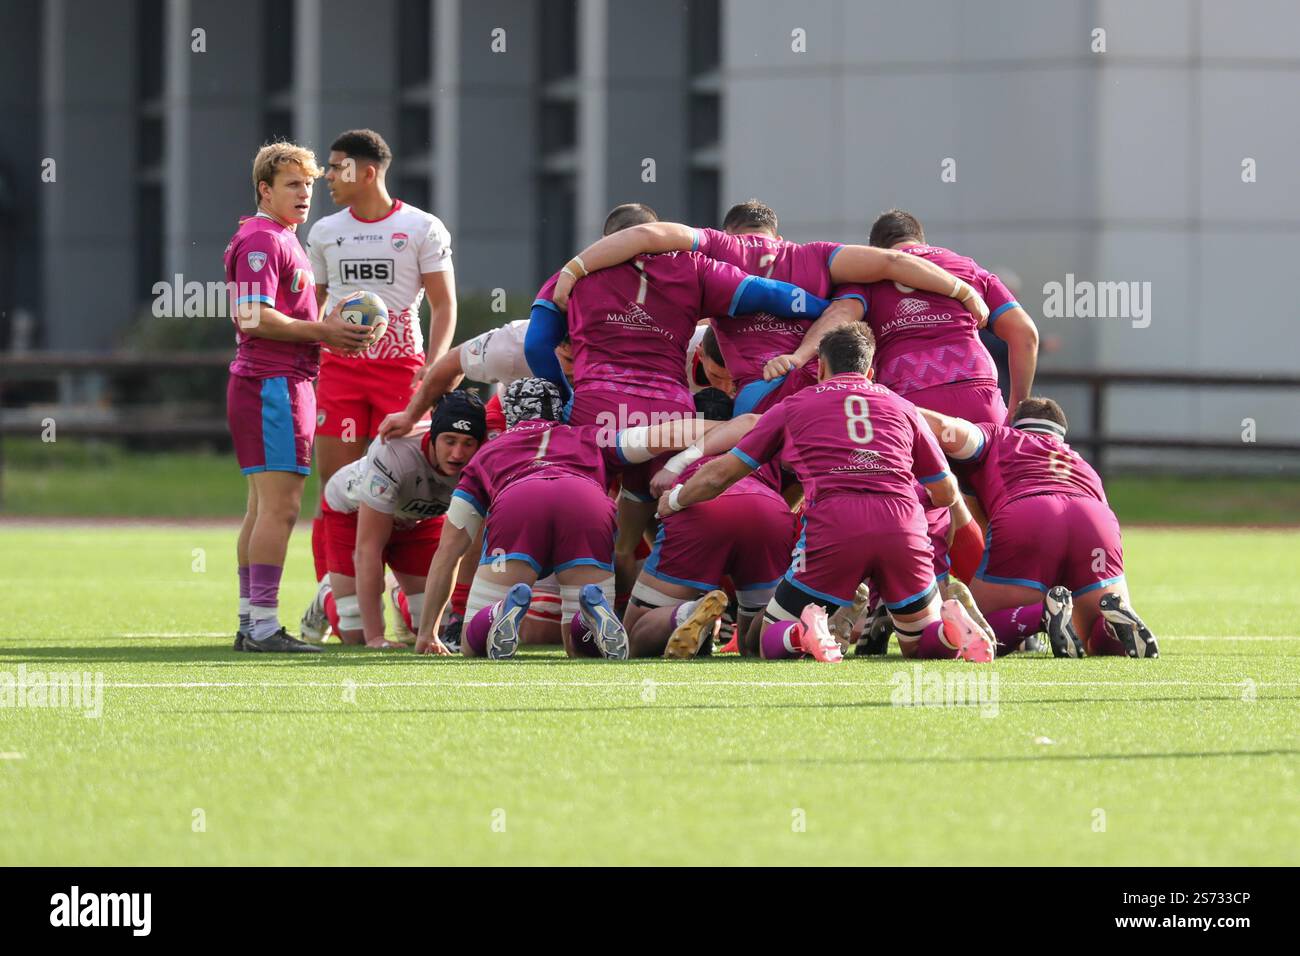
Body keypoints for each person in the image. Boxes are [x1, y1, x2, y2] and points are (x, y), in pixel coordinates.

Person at [659, 324, 993, 663]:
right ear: (870, 371)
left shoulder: (792, 407)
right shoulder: (904, 408)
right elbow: (946, 490)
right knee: (921, 648)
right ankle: (949, 628)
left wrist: (675, 500)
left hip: (835, 525)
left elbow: (721, 474)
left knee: (760, 642)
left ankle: (801, 632)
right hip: (902, 522)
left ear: (819, 367)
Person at [547, 199, 989, 416]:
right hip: (818, 388)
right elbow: (894, 262)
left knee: (740, 476)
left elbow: (647, 236)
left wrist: (574, 268)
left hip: (758, 393)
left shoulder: (718, 249)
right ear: (776, 233)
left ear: (732, 231)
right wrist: (964, 292)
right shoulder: (817, 255)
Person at [414, 378, 722, 660]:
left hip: (519, 501)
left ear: (508, 415)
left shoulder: (487, 453)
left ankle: (497, 613)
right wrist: (734, 425)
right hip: (584, 502)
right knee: (582, 652)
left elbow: (448, 552)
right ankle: (589, 614)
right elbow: (668, 433)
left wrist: (428, 632)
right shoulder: (592, 437)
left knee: (472, 646)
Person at [225, 141, 373, 653]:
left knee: (262, 508)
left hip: (274, 384)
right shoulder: (264, 240)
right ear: (265, 189)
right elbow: (252, 316)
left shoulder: (280, 237)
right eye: (292, 183)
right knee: (280, 510)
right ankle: (262, 627)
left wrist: (332, 327)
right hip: (273, 386)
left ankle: (252, 623)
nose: (305, 192)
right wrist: (325, 332)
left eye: (309, 183)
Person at [304, 129, 457, 583]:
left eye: (336, 167)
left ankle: (411, 600)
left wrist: (435, 367)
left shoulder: (421, 226)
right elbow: (313, 306)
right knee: (335, 491)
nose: (326, 176)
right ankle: (333, 602)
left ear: (367, 172)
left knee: (412, 490)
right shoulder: (326, 231)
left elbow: (444, 303)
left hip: (403, 374)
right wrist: (312, 354)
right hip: (339, 373)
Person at [918, 398, 1159, 658]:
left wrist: (893, 404)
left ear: (1015, 425)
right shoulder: (1081, 463)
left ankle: (1039, 615)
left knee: (973, 625)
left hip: (1029, 512)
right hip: (1095, 518)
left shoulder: (999, 435)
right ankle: (1110, 628)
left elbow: (944, 427)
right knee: (1088, 632)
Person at [300, 392, 486, 649]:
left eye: (468, 443)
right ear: (432, 436)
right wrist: (376, 637)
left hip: (420, 519)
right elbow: (369, 549)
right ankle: (327, 595)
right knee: (357, 632)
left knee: (437, 625)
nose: (457, 453)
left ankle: (402, 595)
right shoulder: (395, 453)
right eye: (450, 440)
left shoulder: (484, 460)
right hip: (353, 514)